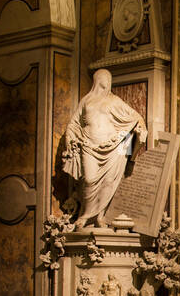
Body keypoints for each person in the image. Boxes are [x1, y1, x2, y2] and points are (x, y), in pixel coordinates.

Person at [61, 69, 148, 228]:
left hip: (113, 148)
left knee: (109, 181)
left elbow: (136, 119)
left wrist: (135, 133)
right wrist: (69, 138)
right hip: (88, 146)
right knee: (89, 179)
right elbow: (74, 123)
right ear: (96, 80)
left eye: (108, 78)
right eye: (104, 78)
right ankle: (87, 214)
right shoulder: (86, 101)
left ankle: (99, 216)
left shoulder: (114, 101)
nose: (106, 81)